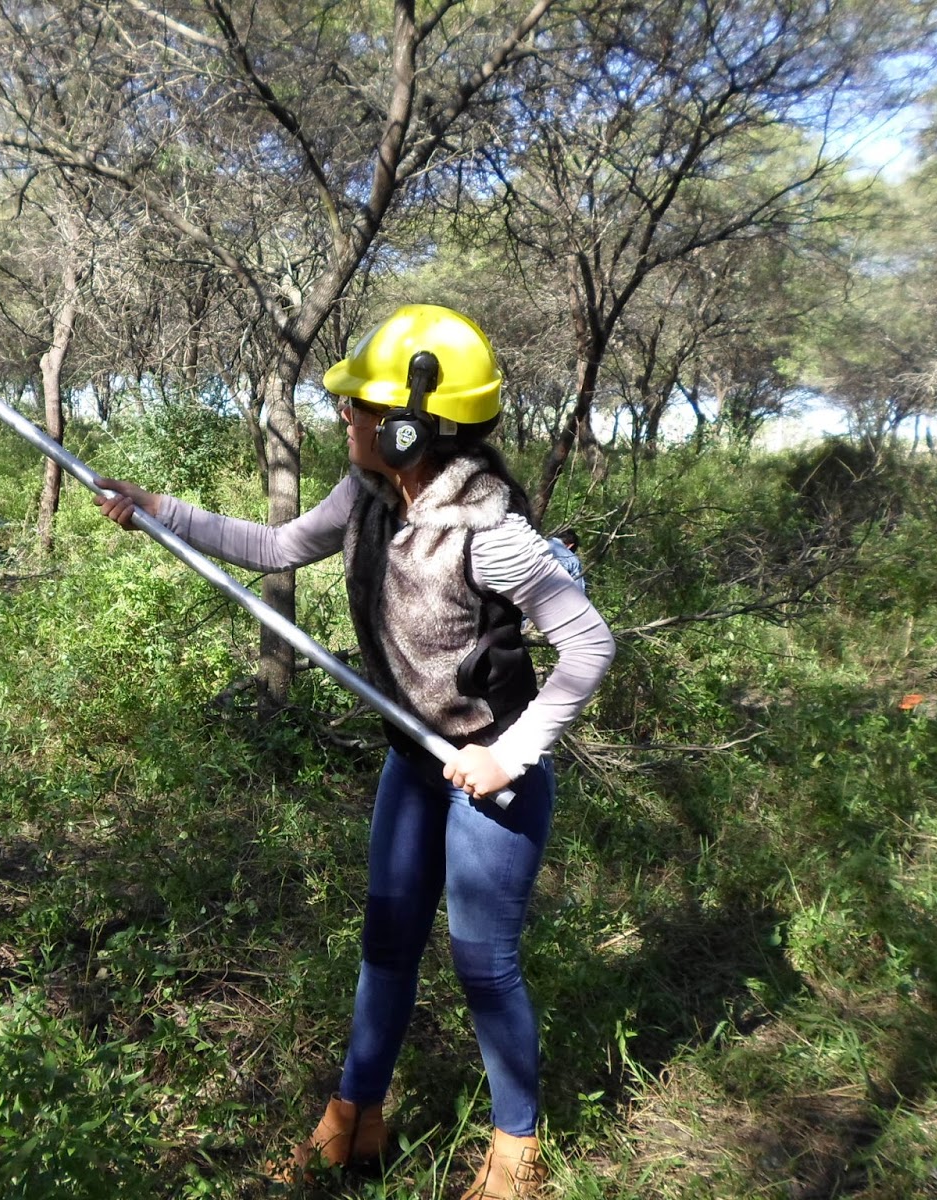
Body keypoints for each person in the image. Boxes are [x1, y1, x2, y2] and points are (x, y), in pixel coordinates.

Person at [95, 305, 614, 1199]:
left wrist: (510, 756)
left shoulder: (491, 533)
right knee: (385, 943)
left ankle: (517, 1152)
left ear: (412, 424)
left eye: (362, 406)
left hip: (489, 773)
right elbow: (275, 546)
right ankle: (352, 1122)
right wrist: (155, 510)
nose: (345, 416)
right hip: (412, 763)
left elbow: (590, 646)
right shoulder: (370, 495)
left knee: (482, 965)